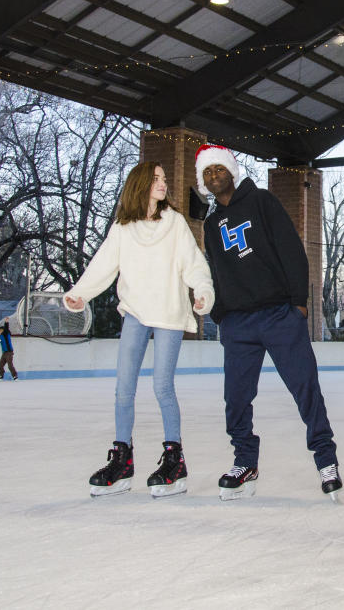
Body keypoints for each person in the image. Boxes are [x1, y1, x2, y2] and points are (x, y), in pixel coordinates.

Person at [197, 144, 340, 501]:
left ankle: (326, 460)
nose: (214, 176)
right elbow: (216, 271)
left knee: (305, 389)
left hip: (279, 315)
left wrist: (299, 303)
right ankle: (245, 462)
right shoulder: (211, 224)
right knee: (236, 398)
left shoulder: (262, 201)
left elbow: (291, 249)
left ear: (231, 171)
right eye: (207, 172)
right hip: (238, 323)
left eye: (219, 169)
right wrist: (221, 314)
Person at [64, 161, 214, 498]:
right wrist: (80, 293)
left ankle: (175, 460)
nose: (163, 184)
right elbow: (103, 264)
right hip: (135, 312)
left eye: (164, 178)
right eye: (156, 179)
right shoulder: (124, 227)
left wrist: (203, 291)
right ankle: (122, 461)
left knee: (162, 387)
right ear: (141, 184)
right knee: (123, 389)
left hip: (168, 314)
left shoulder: (174, 223)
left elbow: (193, 263)